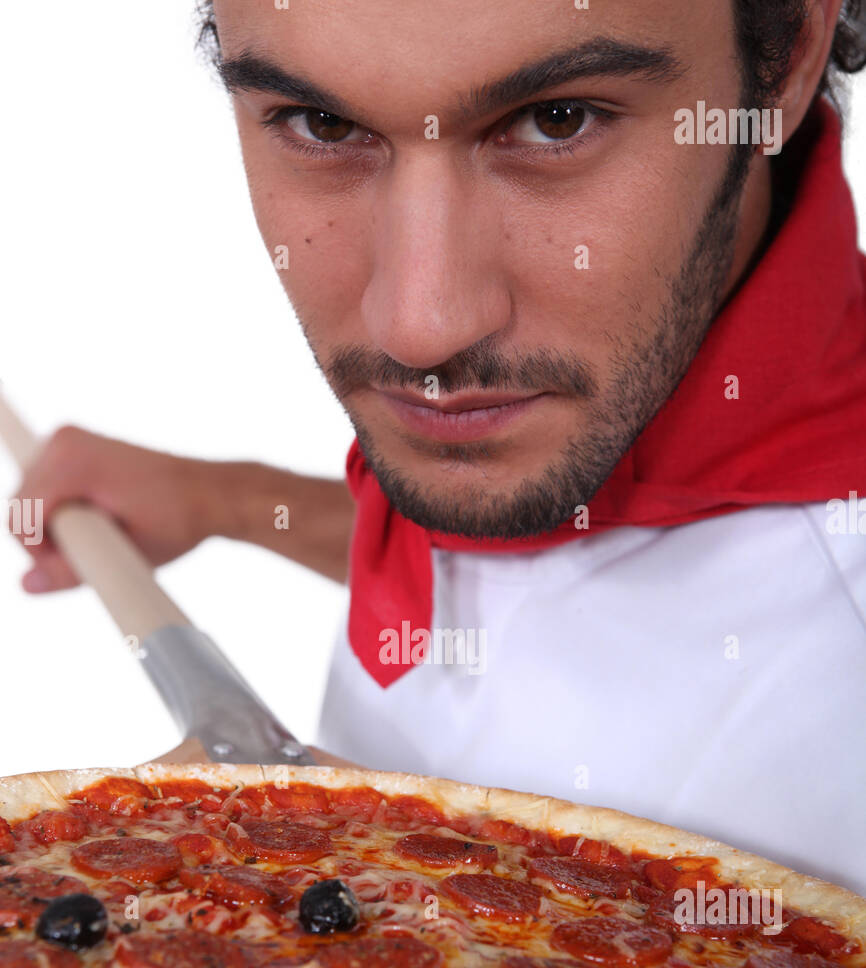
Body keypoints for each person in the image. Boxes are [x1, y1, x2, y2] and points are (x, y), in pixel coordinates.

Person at [11, 0, 866, 893]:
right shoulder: (581, 424)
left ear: (786, 57)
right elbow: (547, 583)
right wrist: (232, 500)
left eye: (555, 120)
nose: (420, 330)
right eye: (323, 123)